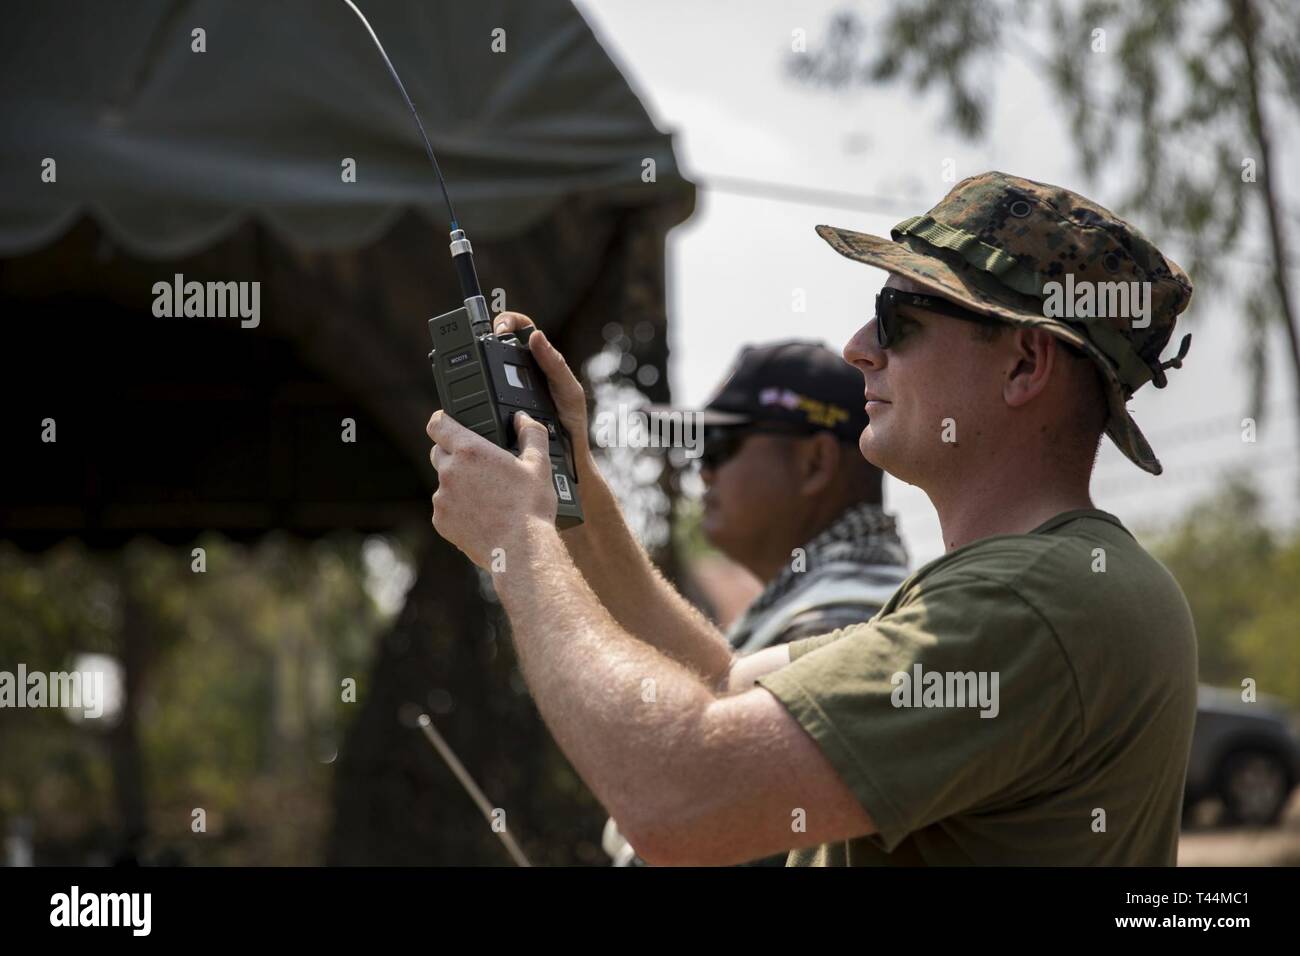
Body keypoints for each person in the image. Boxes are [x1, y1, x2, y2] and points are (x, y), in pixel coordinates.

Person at [426, 170, 1198, 865]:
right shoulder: (1029, 586)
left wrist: (519, 550)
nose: (859, 348)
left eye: (900, 319)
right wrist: (574, 488)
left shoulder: (1031, 603)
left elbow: (677, 799)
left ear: (1026, 364)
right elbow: (725, 682)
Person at [603, 341, 909, 864]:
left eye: (720, 445)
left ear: (814, 463)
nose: (703, 471)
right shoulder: (829, 600)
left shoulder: (842, 621)